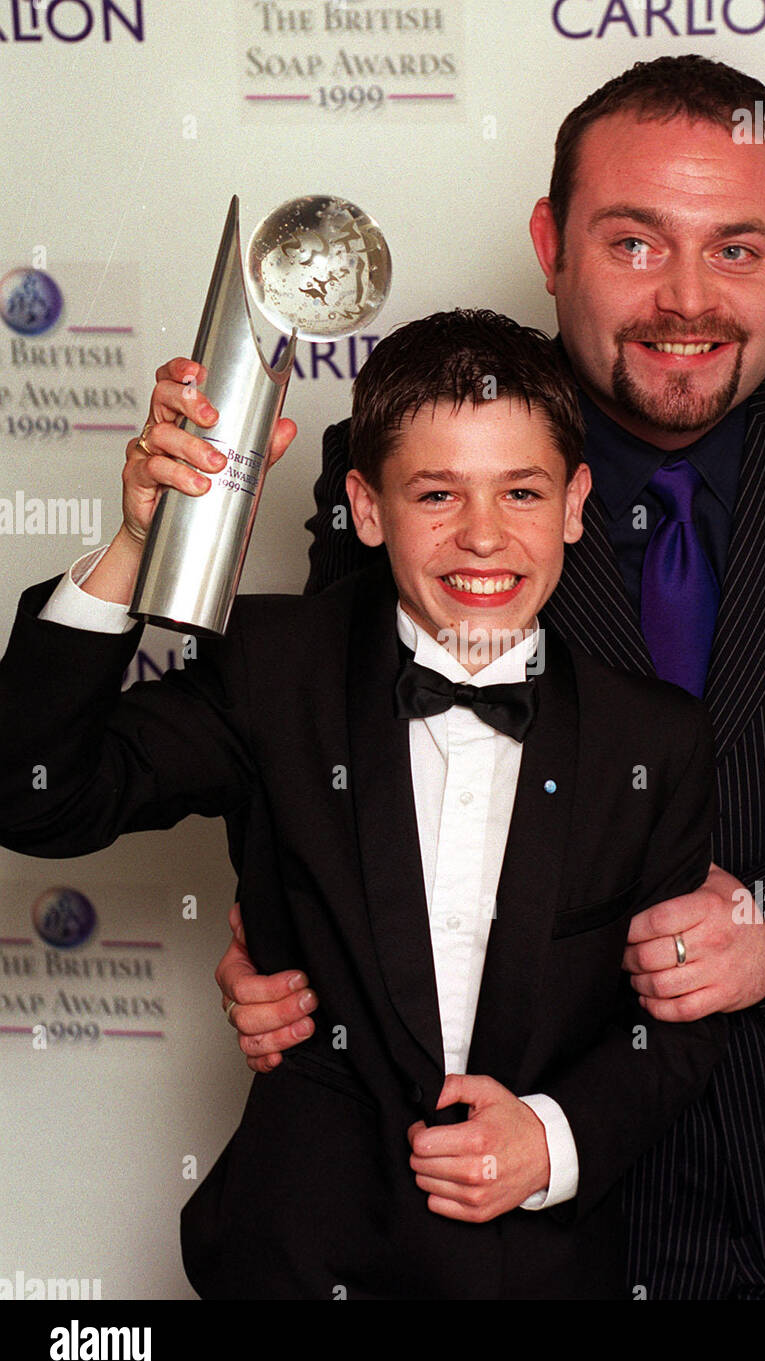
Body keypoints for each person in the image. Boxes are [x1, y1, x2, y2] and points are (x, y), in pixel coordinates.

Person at [220, 56, 765, 1299]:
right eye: (633, 242)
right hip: (488, 1191)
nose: (687, 299)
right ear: (550, 243)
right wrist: (273, 941)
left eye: (736, 247)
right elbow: (322, 765)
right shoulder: (418, 446)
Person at [0, 309, 728, 1300]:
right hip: (291, 1259)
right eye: (436, 492)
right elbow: (38, 797)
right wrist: (138, 539)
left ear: (574, 504)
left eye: (521, 491)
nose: (482, 534)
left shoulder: (655, 739)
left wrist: (552, 1138)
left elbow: (676, 1018)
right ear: (367, 505)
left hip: (538, 1275)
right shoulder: (270, 669)